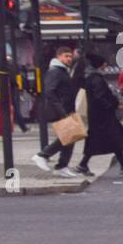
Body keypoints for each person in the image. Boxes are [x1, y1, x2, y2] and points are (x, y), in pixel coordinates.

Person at [73, 54, 123, 177]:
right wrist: (113, 105)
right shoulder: (96, 79)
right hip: (102, 116)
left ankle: (122, 165)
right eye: (104, 63)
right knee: (111, 138)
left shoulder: (91, 77)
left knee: (110, 139)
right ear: (100, 65)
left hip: (98, 115)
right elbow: (100, 97)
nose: (106, 65)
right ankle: (84, 165)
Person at [32, 46, 81, 176]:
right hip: (60, 109)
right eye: (66, 56)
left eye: (70, 56)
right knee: (69, 135)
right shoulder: (55, 71)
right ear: (58, 57)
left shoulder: (63, 70)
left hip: (66, 108)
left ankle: (62, 166)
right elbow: (49, 91)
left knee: (72, 136)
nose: (69, 59)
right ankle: (42, 155)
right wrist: (60, 109)